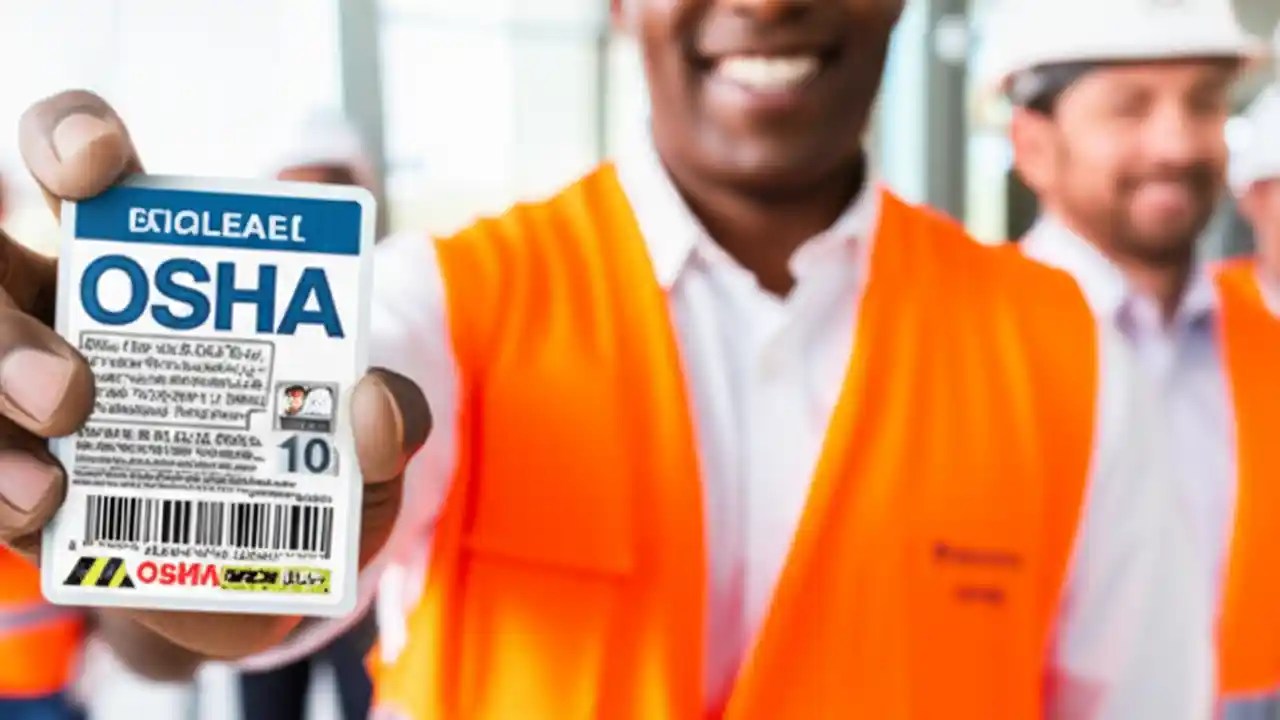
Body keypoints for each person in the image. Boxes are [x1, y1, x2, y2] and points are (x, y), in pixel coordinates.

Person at [0, 0, 1175, 717]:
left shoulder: (1068, 351)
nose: (764, 0)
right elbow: (182, 635)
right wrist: (151, 484)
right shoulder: (445, 301)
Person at [981, 0, 1277, 716]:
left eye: (1203, 105)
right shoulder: (960, 348)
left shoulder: (1266, 347)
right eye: (1129, 109)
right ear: (1032, 145)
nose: (1177, 144)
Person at [231, 111, 382, 720]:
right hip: (262, 564)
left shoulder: (394, 302)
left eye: (325, 195)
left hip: (363, 578)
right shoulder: (237, 313)